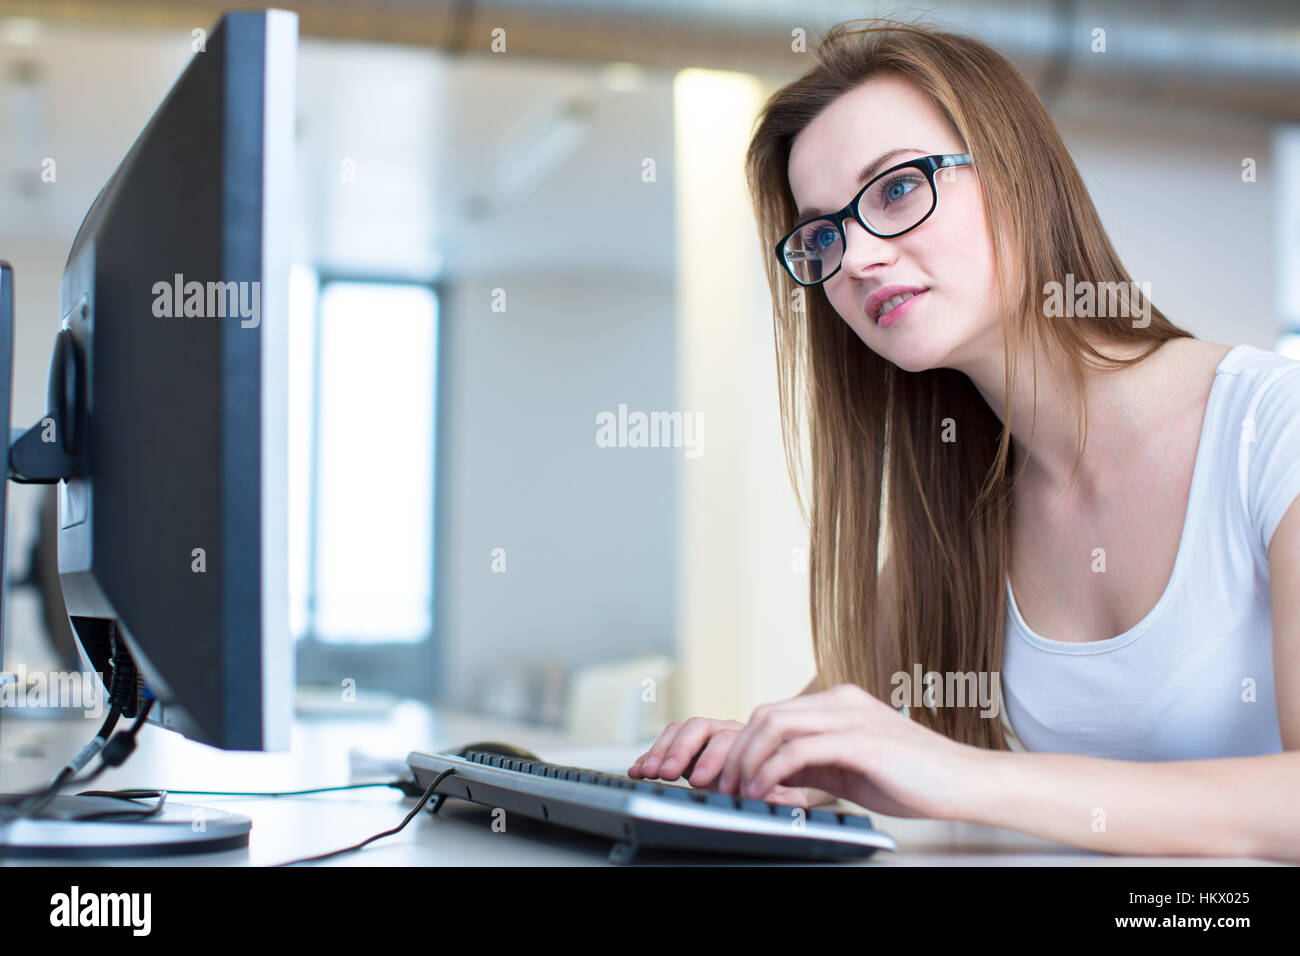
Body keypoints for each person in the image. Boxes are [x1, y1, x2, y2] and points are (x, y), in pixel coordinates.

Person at [629, 18, 1300, 861]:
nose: (860, 258)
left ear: (1019, 174)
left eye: (897, 188)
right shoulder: (954, 505)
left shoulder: (1273, 430)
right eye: (825, 235)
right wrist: (746, 762)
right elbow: (830, 746)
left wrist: (958, 774)